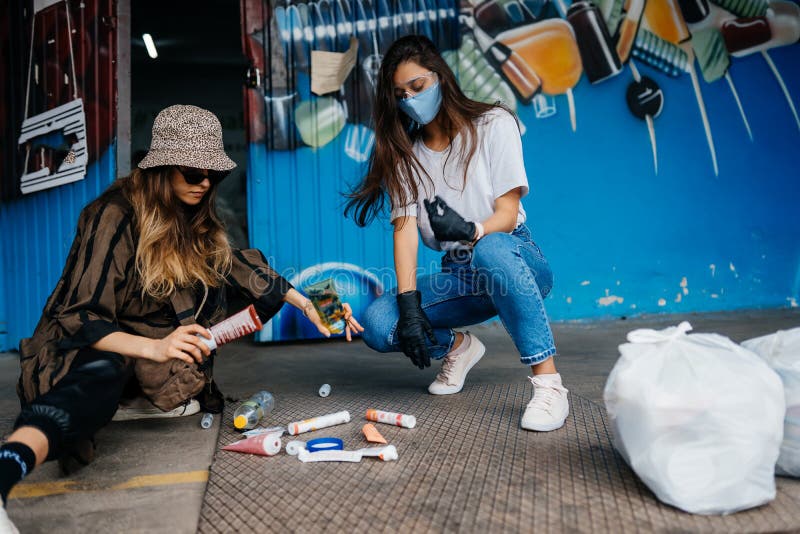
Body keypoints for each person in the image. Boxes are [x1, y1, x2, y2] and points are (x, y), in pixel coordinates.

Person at [0, 105, 363, 526]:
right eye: (194, 173)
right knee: (96, 377)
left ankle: (144, 392)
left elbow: (241, 266)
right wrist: (155, 347)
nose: (205, 183)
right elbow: (79, 316)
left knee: (257, 293)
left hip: (158, 355)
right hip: (100, 349)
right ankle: (8, 472)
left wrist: (313, 305)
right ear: (163, 169)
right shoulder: (113, 215)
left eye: (214, 174)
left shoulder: (194, 213)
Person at [346, 35, 567, 433]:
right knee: (380, 322)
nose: (411, 99)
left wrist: (471, 230)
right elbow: (406, 232)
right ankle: (459, 349)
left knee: (491, 247)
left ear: (441, 78)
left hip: (514, 258)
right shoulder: (406, 156)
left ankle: (550, 385)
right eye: (401, 94)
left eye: (418, 86)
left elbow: (507, 213)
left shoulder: (494, 124)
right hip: (460, 275)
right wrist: (409, 306)